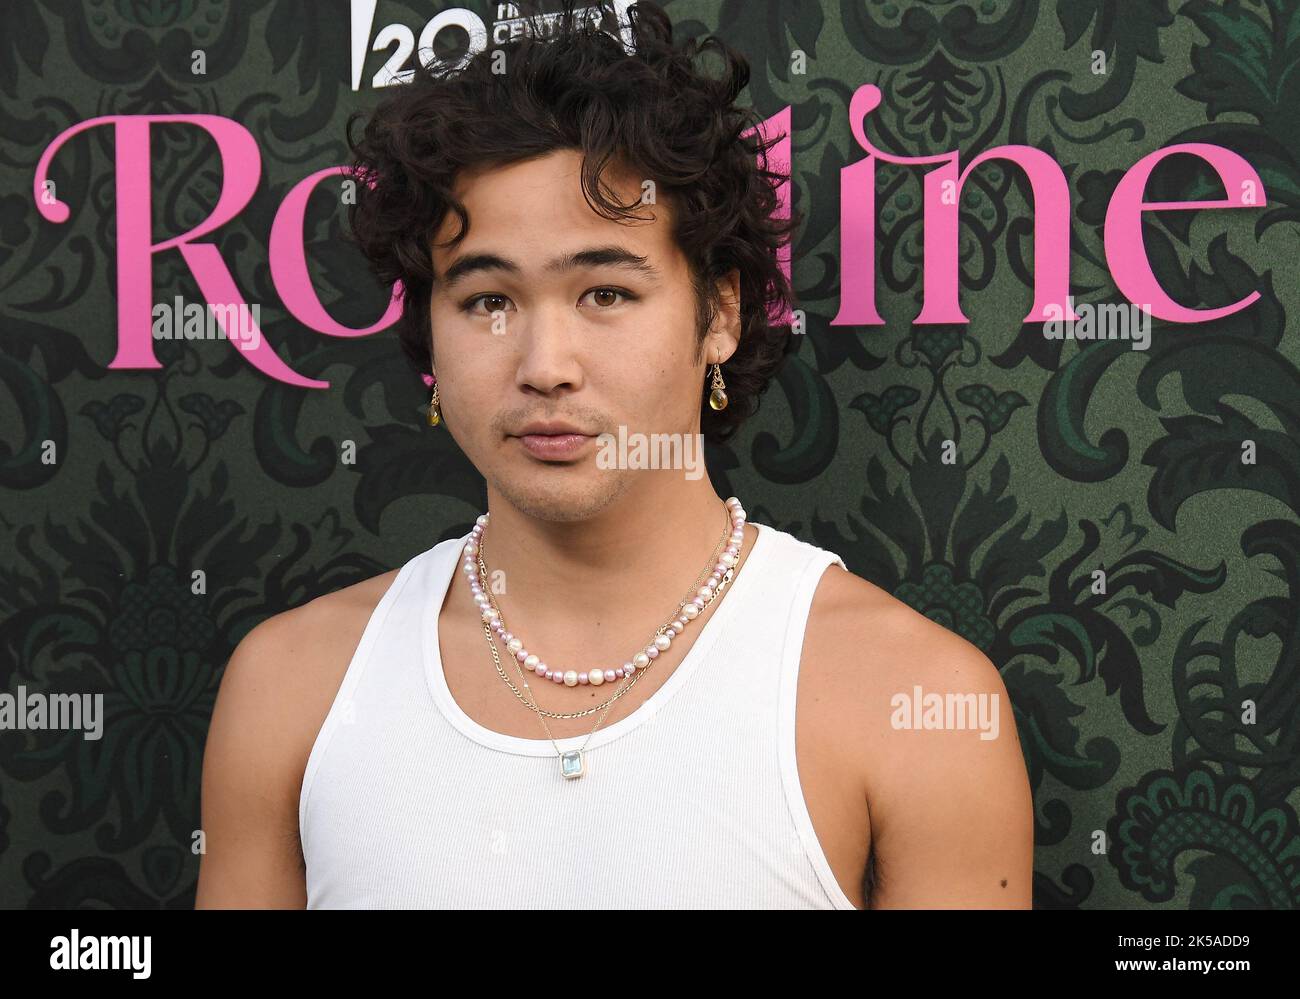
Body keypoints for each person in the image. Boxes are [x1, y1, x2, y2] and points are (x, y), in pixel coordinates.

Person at [195, 0, 1033, 909]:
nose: (545, 366)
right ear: (430, 333)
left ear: (720, 313)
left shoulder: (918, 699)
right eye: (486, 301)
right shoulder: (293, 686)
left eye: (604, 291)